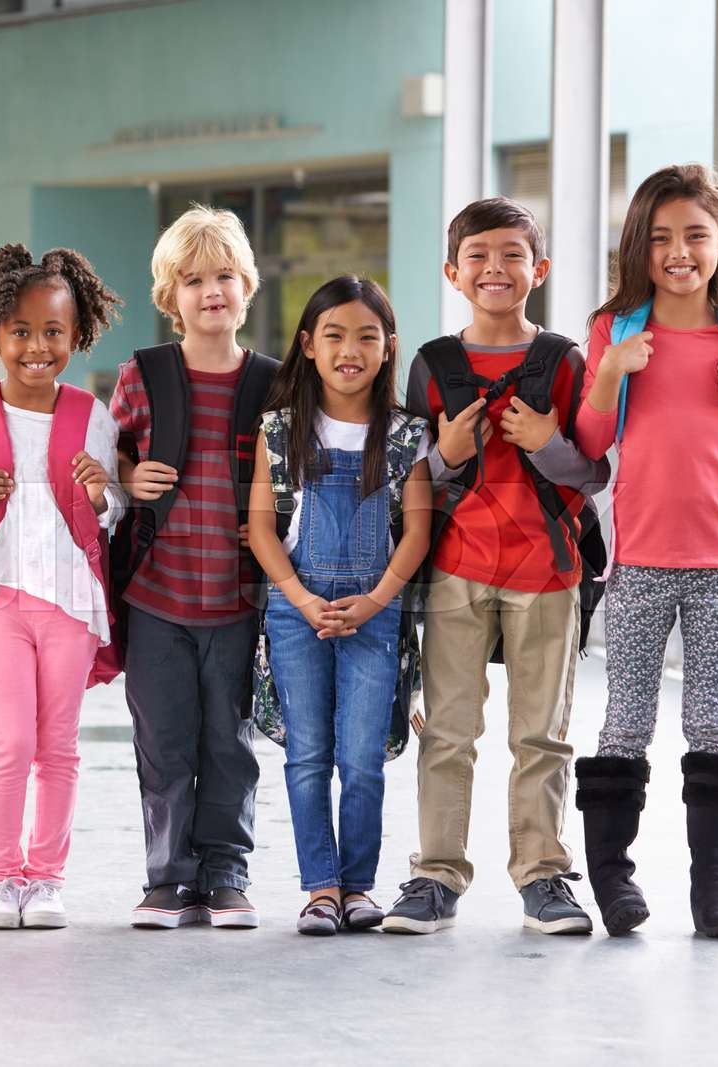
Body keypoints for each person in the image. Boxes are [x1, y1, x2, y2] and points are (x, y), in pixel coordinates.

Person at [573, 164, 718, 940]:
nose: (678, 252)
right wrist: (608, 373)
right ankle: (613, 878)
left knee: (712, 722)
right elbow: (590, 442)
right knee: (626, 719)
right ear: (638, 246)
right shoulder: (617, 330)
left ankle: (715, 890)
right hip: (638, 560)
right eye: (660, 237)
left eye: (695, 236)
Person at [384, 197, 608, 936]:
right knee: (447, 731)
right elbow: (410, 475)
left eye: (513, 254)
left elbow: (592, 472)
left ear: (538, 270)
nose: (495, 269)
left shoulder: (564, 362)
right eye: (478, 256)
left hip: (548, 570)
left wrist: (545, 439)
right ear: (453, 272)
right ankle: (435, 876)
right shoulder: (434, 364)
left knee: (541, 735)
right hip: (456, 570)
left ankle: (543, 876)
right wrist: (445, 453)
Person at [0, 244, 125, 930]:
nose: (37, 346)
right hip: (1, 596)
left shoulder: (91, 415)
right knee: (10, 741)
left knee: (59, 745)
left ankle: (45, 879)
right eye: (20, 332)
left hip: (71, 599)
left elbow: (114, 508)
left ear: (77, 336)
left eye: (53, 332)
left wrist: (102, 496)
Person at [109, 205, 280, 930]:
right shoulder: (144, 374)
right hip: (157, 596)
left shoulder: (273, 383)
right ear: (169, 296)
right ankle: (169, 876)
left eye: (224, 276)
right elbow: (112, 452)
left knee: (228, 742)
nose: (211, 290)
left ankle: (227, 871)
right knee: (165, 739)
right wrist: (127, 476)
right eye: (193, 279)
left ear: (247, 286)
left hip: (238, 599)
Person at [247, 275, 431, 935]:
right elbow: (263, 528)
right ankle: (319, 886)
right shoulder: (281, 428)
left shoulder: (407, 432)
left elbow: (416, 530)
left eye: (366, 336)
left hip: (374, 612)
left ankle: (358, 885)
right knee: (307, 755)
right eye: (334, 335)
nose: (349, 349)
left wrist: (376, 599)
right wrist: (299, 597)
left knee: (361, 757)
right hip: (296, 609)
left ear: (387, 349)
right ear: (308, 345)